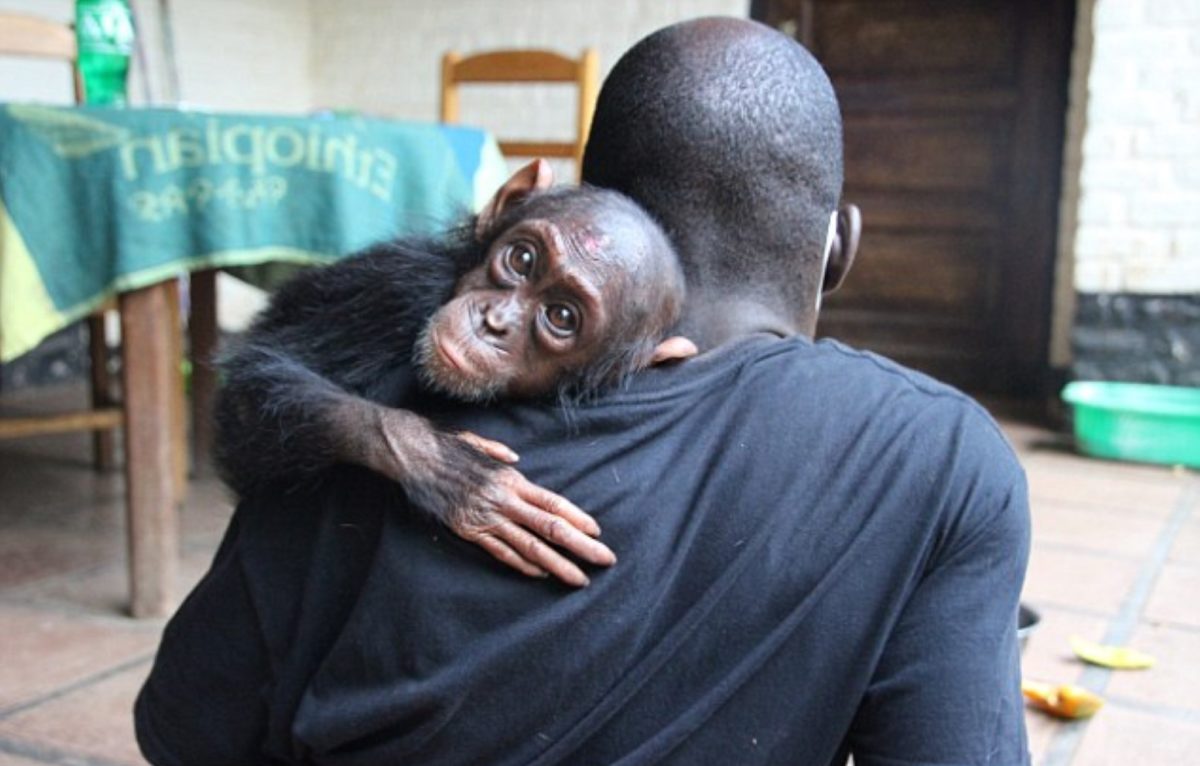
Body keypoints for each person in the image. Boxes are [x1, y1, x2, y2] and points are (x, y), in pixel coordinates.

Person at [136, 17, 1030, 766]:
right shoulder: (942, 463)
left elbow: (186, 726)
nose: (491, 321)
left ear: (654, 345)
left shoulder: (389, 377)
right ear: (838, 250)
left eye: (559, 314)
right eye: (515, 266)